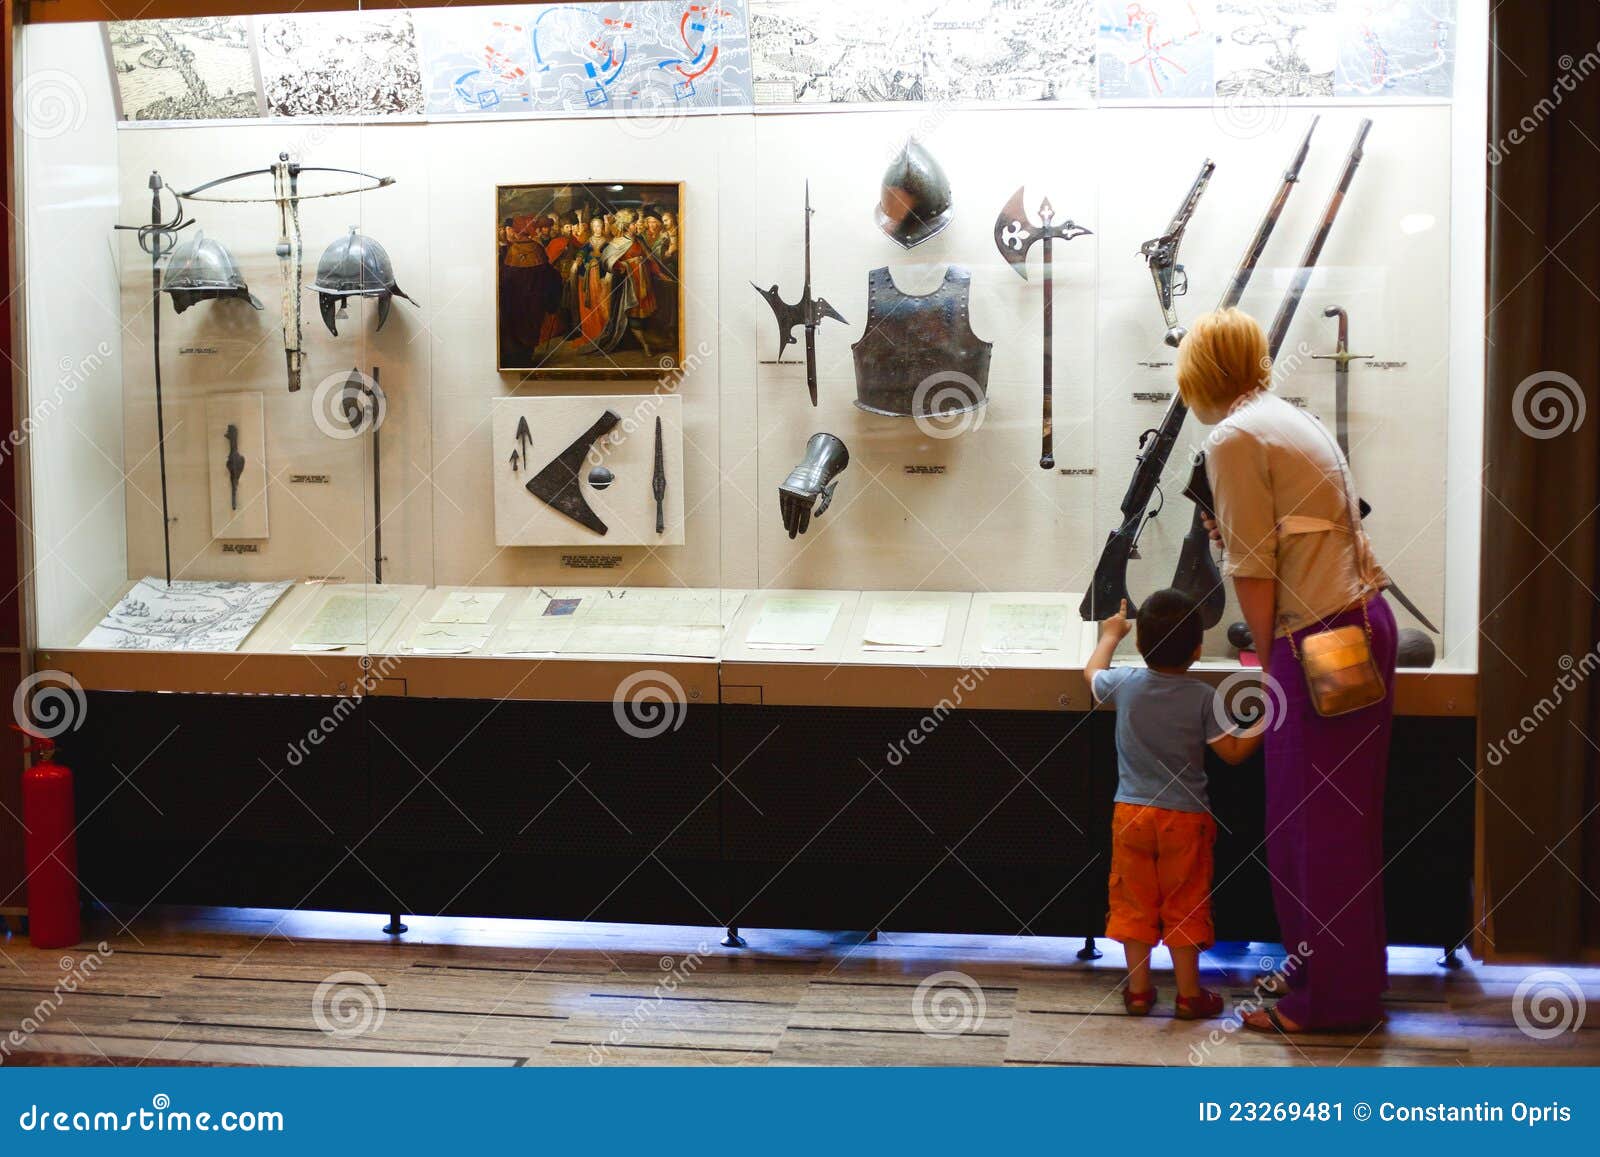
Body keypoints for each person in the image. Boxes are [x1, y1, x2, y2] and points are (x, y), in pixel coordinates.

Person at [1177, 307, 1400, 1035]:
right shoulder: (1284, 418)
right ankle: (1343, 980)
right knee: (1342, 821)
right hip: (1356, 623)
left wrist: (1265, 661)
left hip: (1317, 638)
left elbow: (1253, 566)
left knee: (1310, 824)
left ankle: (1323, 1004)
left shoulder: (1233, 436)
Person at [1084, 591, 1262, 1020]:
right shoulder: (1202, 697)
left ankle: (1140, 992)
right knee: (1186, 901)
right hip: (1186, 818)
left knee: (1134, 900)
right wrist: (1266, 717)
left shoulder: (1125, 684)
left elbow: (1091, 675)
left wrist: (1111, 634)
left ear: (1141, 646)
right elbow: (1234, 754)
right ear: (1198, 648)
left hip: (1130, 814)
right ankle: (1188, 995)